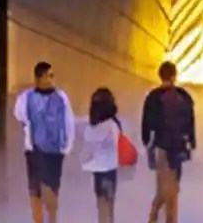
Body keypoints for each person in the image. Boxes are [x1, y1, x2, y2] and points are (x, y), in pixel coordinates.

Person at [14, 61, 76, 223]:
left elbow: (69, 122)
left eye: (52, 75)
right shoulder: (26, 97)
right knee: (35, 192)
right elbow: (20, 116)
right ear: (38, 78)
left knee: (51, 191)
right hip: (34, 151)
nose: (52, 79)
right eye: (48, 76)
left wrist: (67, 147)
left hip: (54, 152)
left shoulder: (61, 97)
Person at [141, 61, 195, 223]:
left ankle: (154, 214)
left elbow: (146, 122)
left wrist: (146, 141)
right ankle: (168, 218)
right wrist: (191, 141)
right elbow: (190, 121)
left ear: (160, 76)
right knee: (173, 188)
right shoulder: (183, 96)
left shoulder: (153, 97)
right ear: (174, 75)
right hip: (178, 147)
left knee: (164, 187)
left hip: (161, 146)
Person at [82, 87, 122, 223]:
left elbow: (88, 148)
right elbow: (118, 144)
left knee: (102, 205)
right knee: (110, 206)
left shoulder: (91, 127)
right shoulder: (113, 125)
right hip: (110, 169)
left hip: (98, 171)